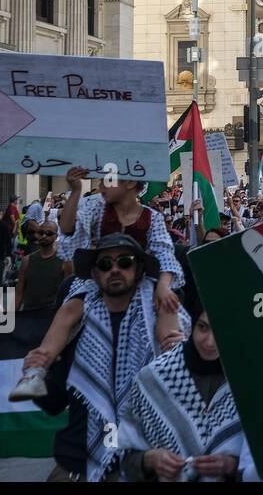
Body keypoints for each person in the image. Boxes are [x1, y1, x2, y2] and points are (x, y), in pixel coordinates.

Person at [11, 167, 184, 401]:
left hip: (140, 279)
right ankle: (37, 370)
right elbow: (70, 230)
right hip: (102, 278)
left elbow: (164, 254)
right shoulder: (96, 209)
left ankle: (174, 362)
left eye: (106, 182)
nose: (100, 187)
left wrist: (163, 285)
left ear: (130, 183)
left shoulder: (151, 217)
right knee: (69, 309)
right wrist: (75, 191)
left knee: (167, 306)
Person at [44, 233, 189, 481]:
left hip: (147, 461)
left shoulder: (166, 321)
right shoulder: (76, 328)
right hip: (81, 462)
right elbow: (52, 401)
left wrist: (187, 356)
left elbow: (194, 390)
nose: (114, 269)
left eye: (124, 262)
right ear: (95, 273)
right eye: (104, 264)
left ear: (139, 267)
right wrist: (43, 367)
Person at [118, 293, 247, 482]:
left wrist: (232, 465)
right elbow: (122, 455)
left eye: (221, 330)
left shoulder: (246, 382)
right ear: (193, 323)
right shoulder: (154, 378)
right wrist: (150, 459)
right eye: (203, 327)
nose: (210, 342)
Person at [16, 221, 73, 311]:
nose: (44, 236)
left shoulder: (65, 262)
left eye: (49, 233)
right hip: (28, 313)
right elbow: (19, 291)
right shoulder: (27, 260)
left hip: (51, 315)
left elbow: (68, 294)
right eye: (41, 233)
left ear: (56, 237)